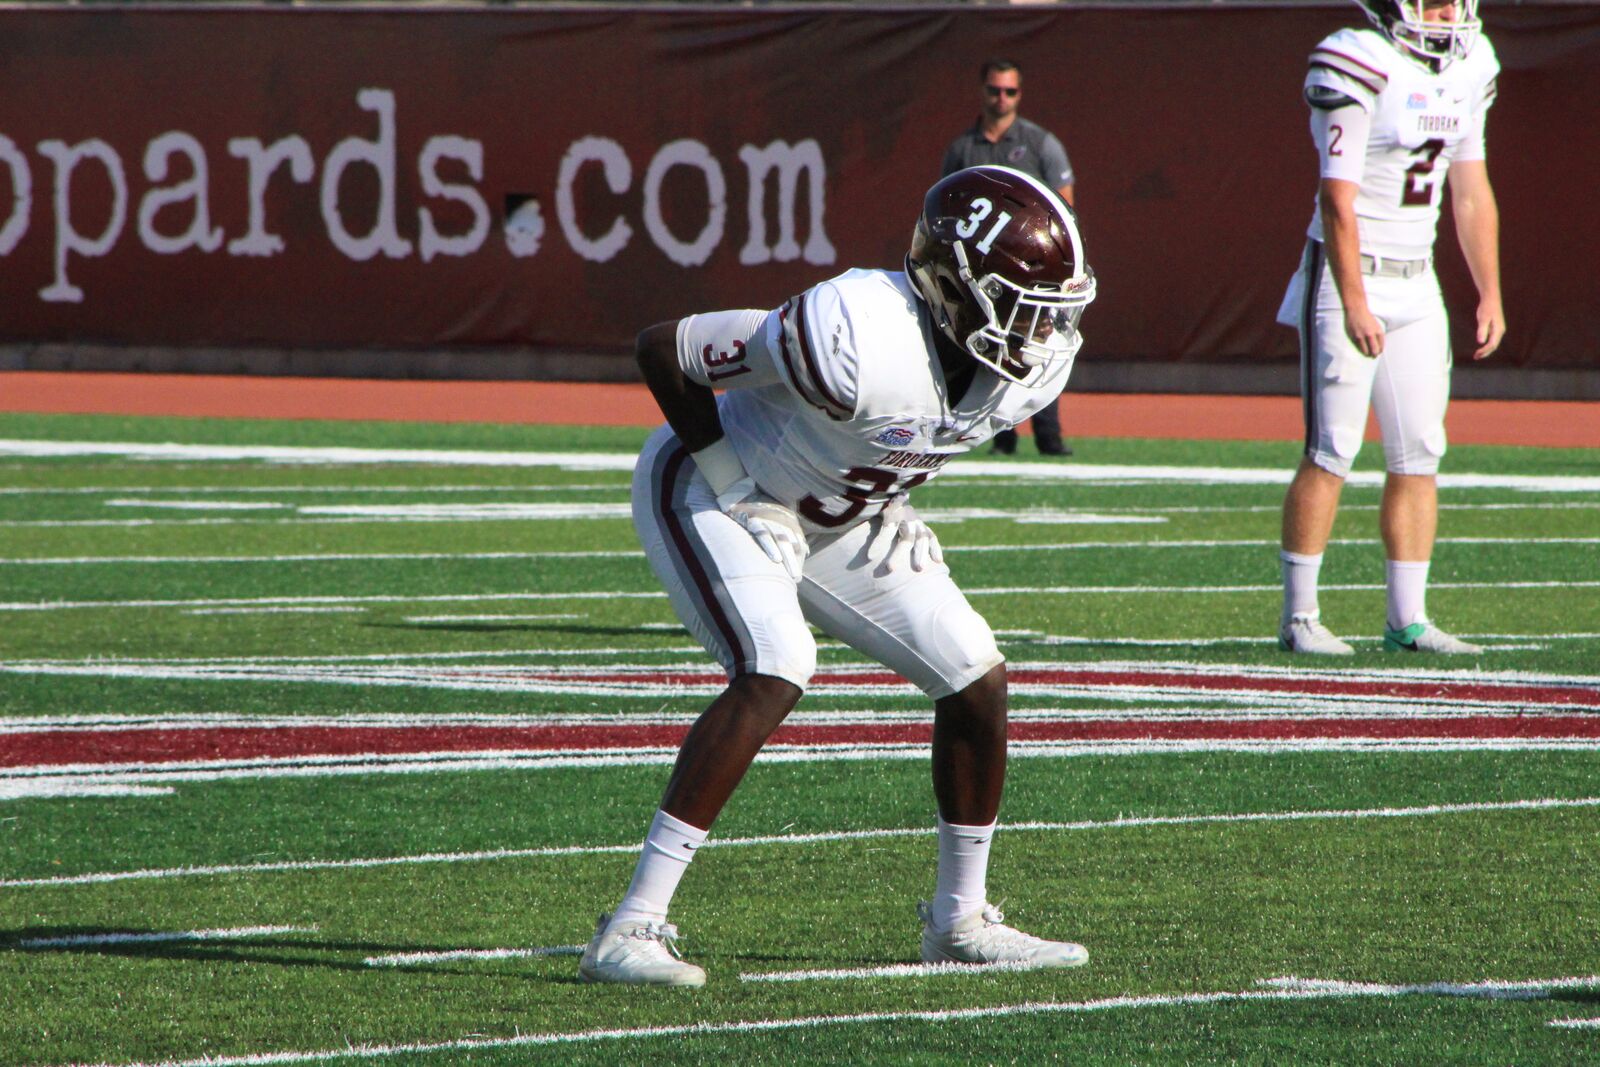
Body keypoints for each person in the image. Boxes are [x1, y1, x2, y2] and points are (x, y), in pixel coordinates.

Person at [578, 165, 1096, 986]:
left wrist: (891, 495)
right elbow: (664, 350)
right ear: (953, 289)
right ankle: (629, 926)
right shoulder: (853, 332)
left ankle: (959, 921)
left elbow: (910, 430)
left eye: (1050, 311)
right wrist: (739, 488)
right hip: (713, 481)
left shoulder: (1023, 371)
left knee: (975, 672)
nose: (1042, 332)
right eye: (1021, 306)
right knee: (779, 663)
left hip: (835, 514)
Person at [1275, 0, 1502, 656]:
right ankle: (1299, 617)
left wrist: (1490, 289)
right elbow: (1337, 199)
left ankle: (1408, 618)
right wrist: (1354, 301)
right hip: (1349, 270)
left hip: (1417, 277)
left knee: (1420, 450)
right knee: (1332, 448)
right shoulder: (1358, 59)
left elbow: (1470, 189)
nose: (1446, 11)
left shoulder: (1471, 62)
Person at [941, 58, 1077, 457]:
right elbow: (946, 205)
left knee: (1038, 341)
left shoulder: (1039, 143)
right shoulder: (963, 148)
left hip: (1033, 268)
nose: (1002, 98)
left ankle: (1049, 437)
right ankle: (999, 435)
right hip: (982, 268)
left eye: (1010, 91)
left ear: (1019, 94)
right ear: (982, 91)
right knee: (986, 343)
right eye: (995, 90)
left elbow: (1065, 207)